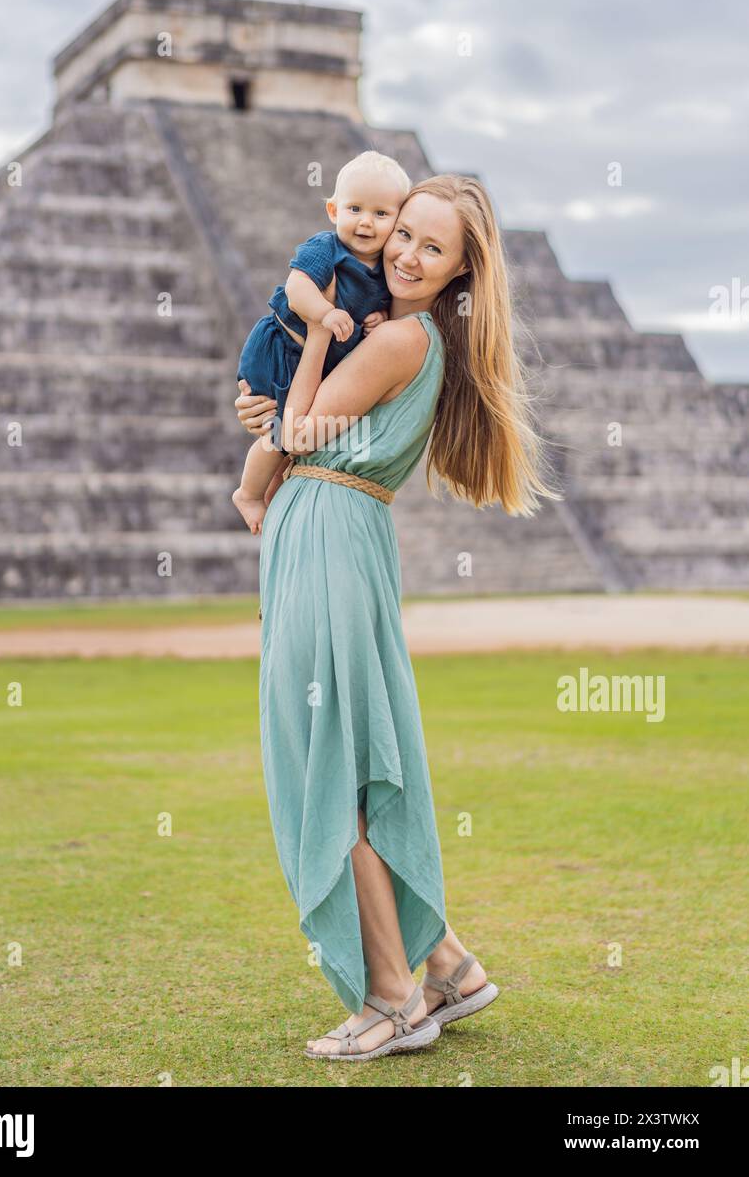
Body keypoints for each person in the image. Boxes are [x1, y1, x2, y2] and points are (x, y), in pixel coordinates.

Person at [235, 174, 562, 1061]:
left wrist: (297, 364)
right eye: (403, 236)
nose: (407, 255)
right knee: (349, 745)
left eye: (432, 248)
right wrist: (273, 410)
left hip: (330, 536)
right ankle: (448, 967)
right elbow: (297, 428)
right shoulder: (402, 336)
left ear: (460, 273)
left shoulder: (397, 341)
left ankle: (394, 999)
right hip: (336, 531)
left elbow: (299, 434)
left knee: (334, 757)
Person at [232, 151, 410, 536]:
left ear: (398, 221)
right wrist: (323, 314)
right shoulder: (327, 247)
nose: (366, 221)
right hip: (282, 345)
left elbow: (373, 310)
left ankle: (275, 493)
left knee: (292, 442)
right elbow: (297, 288)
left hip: (312, 359)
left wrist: (379, 319)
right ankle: (247, 493)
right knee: (281, 435)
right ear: (333, 210)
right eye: (355, 208)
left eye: (381, 214)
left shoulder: (384, 273)